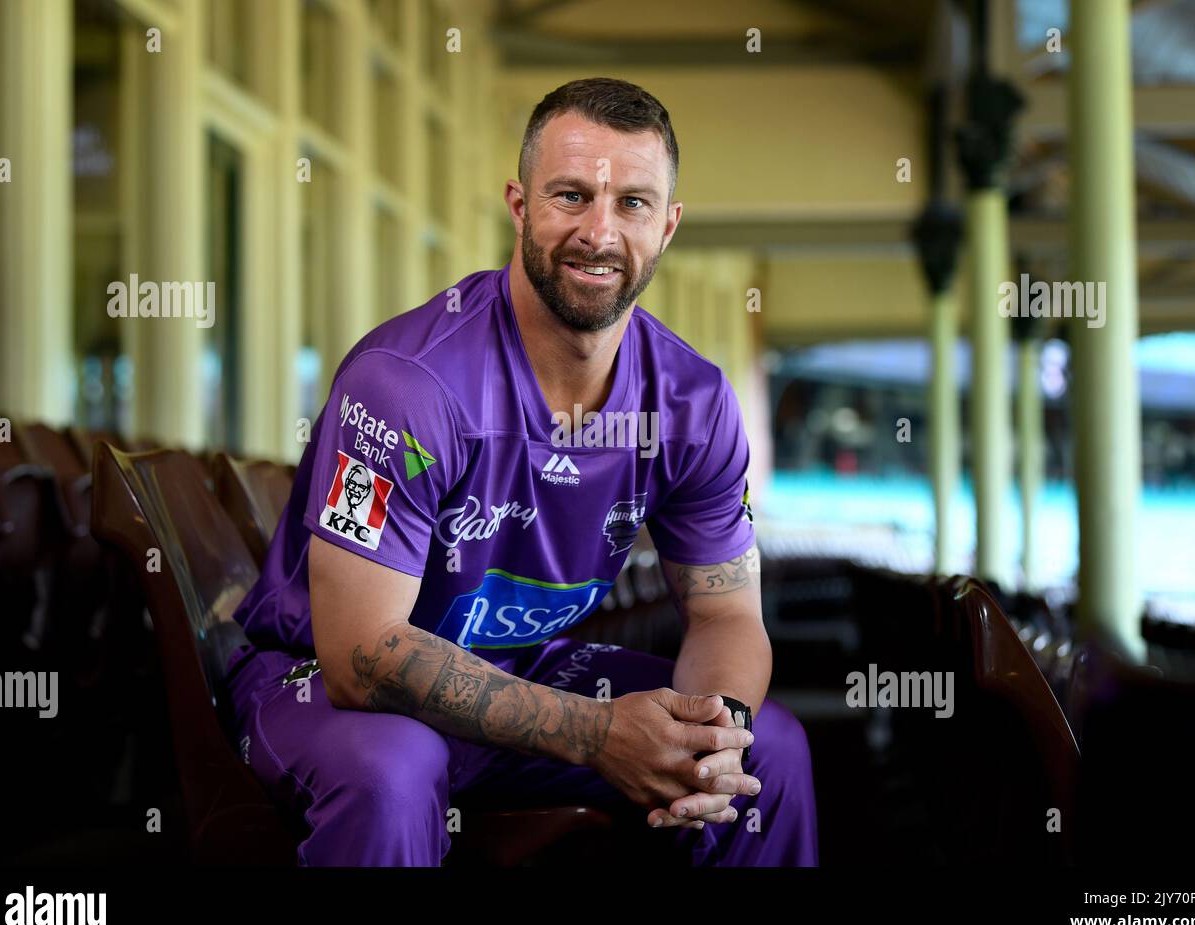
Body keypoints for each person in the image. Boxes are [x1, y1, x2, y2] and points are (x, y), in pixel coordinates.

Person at [227, 76, 819, 866]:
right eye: (570, 196)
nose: (600, 233)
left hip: (526, 671)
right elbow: (359, 656)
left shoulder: (692, 401)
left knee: (764, 748)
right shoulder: (404, 384)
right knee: (393, 770)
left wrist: (713, 736)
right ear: (519, 206)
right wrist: (597, 732)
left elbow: (725, 615)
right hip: (323, 688)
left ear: (669, 226)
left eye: (633, 204)